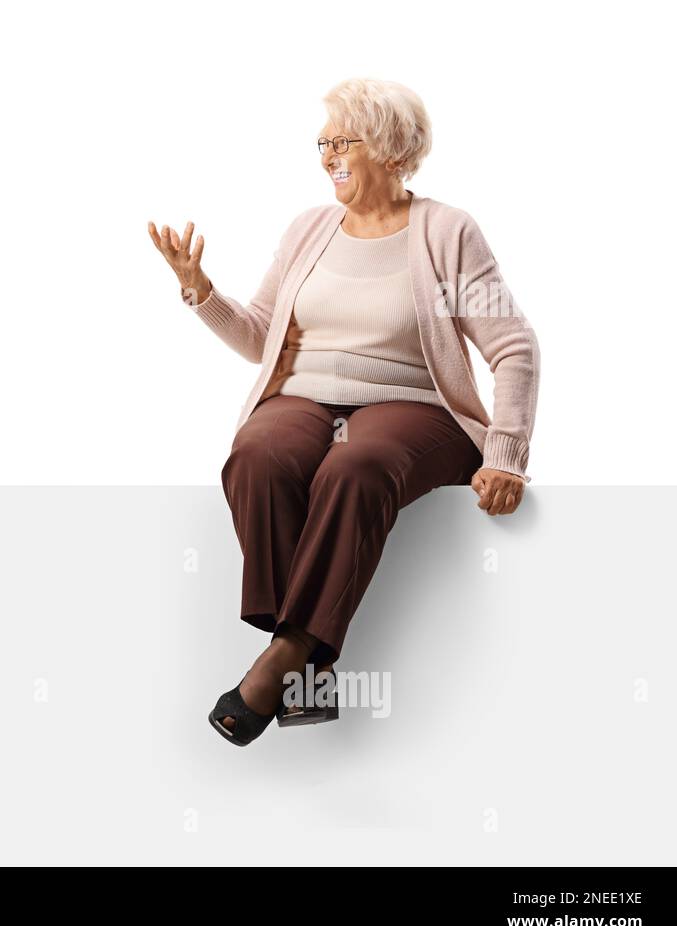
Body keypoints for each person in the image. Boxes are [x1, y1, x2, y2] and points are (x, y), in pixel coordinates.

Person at [148, 78, 541, 745]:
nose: (326, 154)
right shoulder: (308, 229)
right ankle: (309, 660)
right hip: (304, 394)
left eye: (341, 142)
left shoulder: (447, 231)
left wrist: (506, 453)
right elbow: (259, 335)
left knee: (356, 466)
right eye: (321, 142)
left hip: (415, 406)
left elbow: (514, 346)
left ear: (390, 152)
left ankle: (279, 661)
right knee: (258, 456)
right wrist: (201, 292)